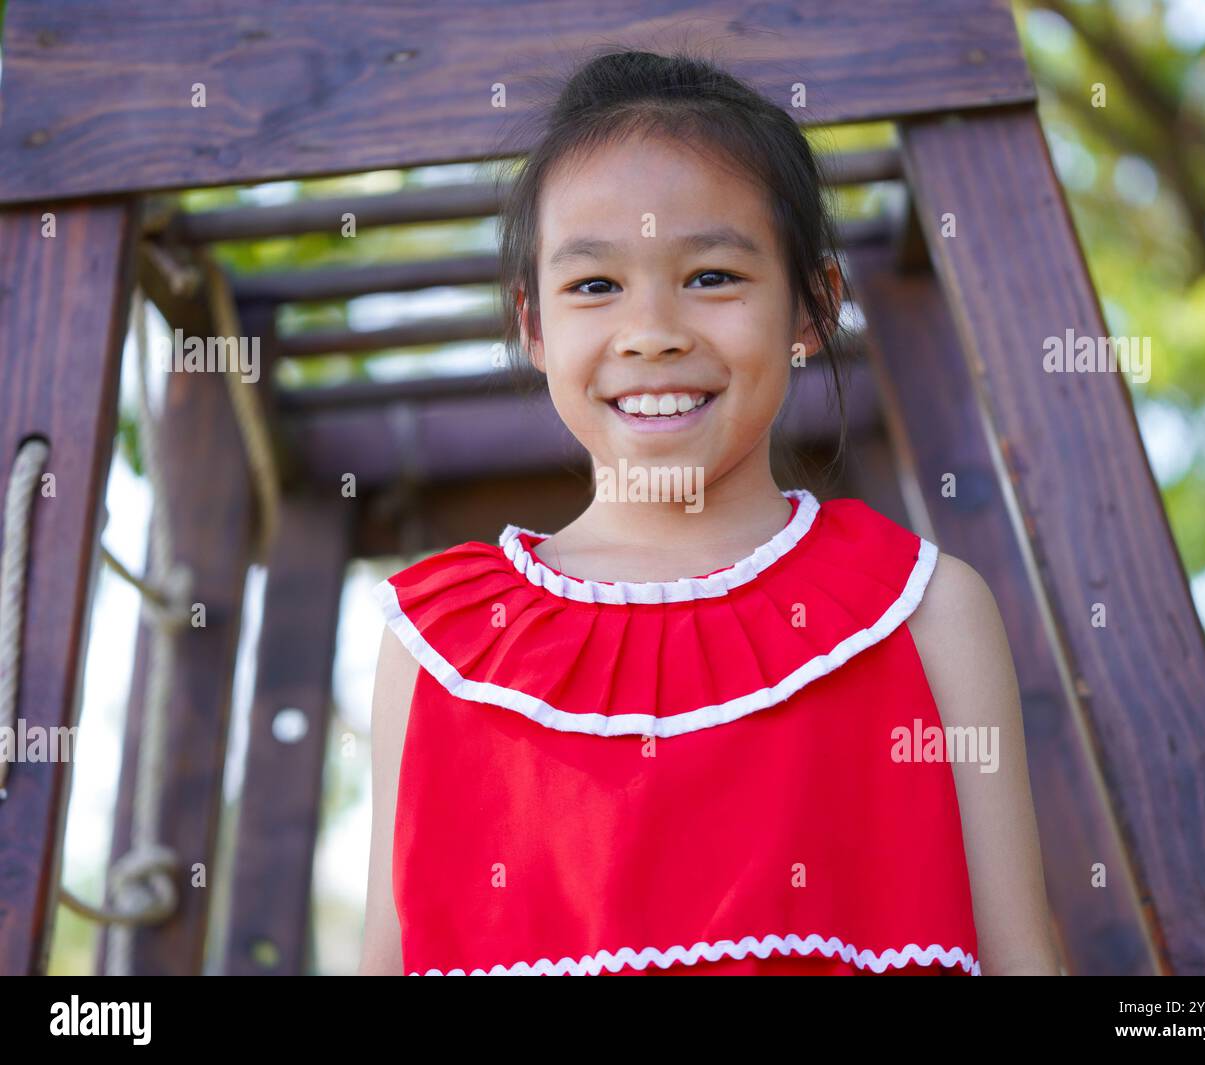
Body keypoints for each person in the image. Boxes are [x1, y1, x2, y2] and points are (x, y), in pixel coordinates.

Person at [358, 47, 1059, 976]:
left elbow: (1024, 960)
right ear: (533, 325)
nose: (652, 332)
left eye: (713, 276)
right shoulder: (436, 648)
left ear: (812, 308)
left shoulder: (925, 613)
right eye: (595, 285)